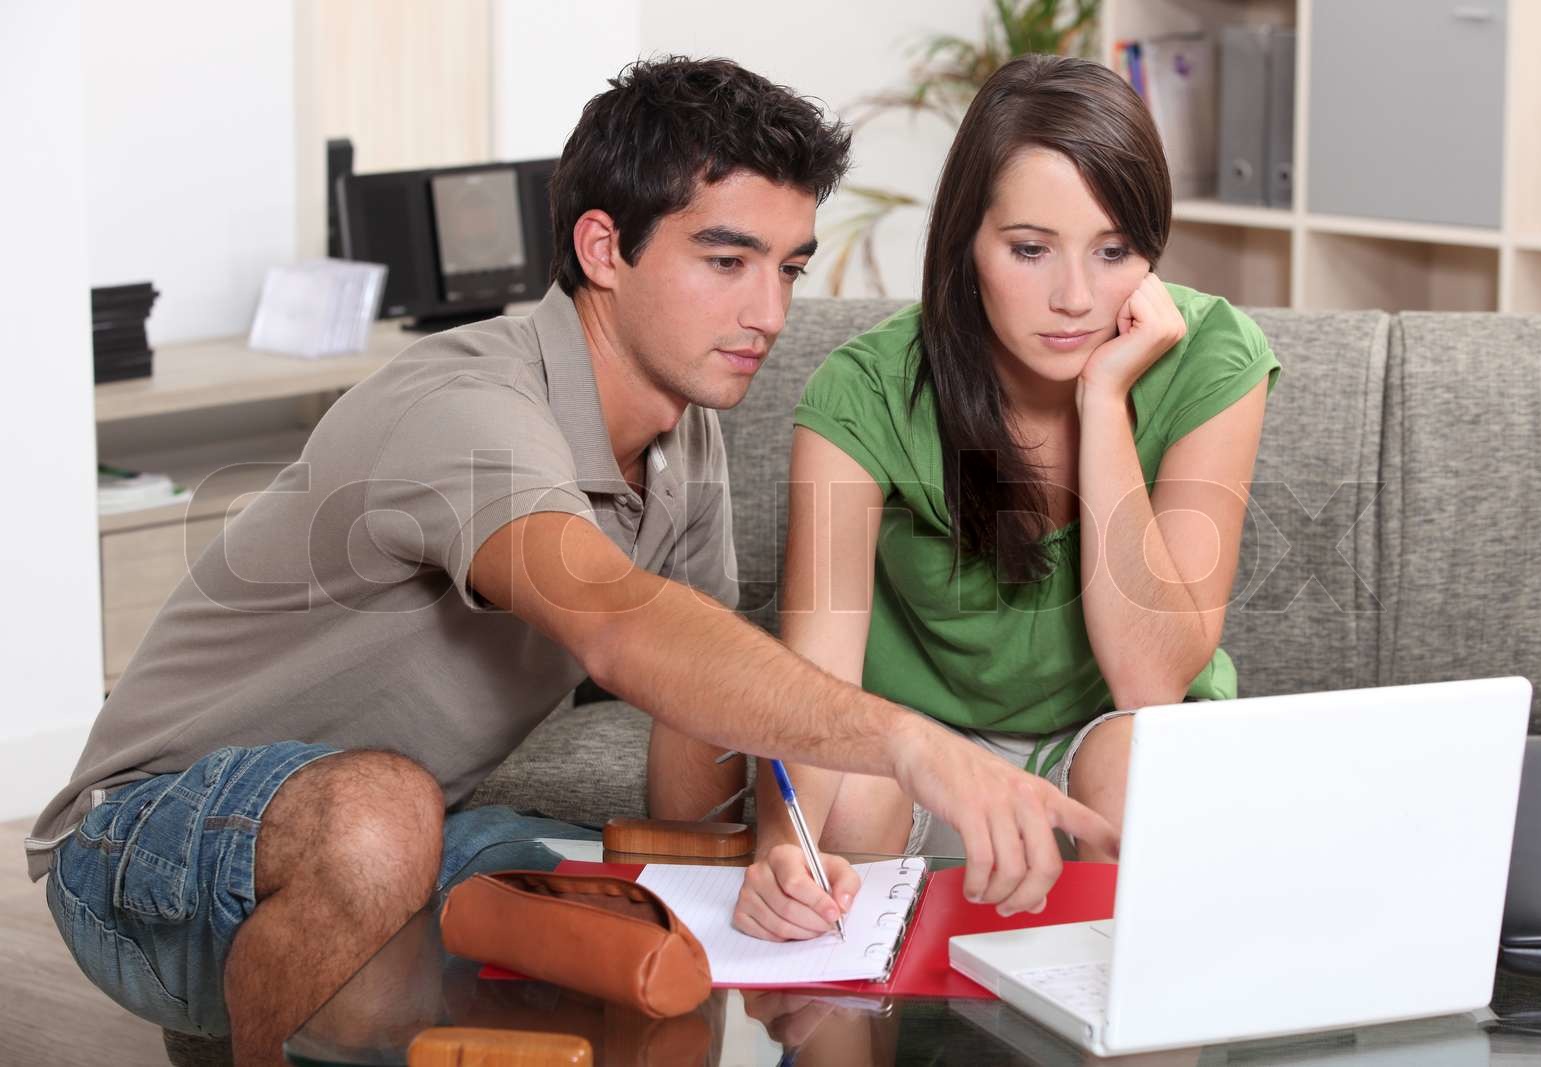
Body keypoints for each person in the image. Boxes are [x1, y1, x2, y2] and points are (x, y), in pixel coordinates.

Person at [26, 57, 1115, 1066]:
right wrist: (912, 744)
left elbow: (694, 701)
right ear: (602, 248)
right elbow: (620, 624)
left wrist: (772, 852)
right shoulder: (468, 405)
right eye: (726, 261)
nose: (770, 312)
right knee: (382, 813)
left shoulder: (684, 434)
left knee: (631, 932)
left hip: (424, 831)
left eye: (787, 268)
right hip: (145, 841)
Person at [714, 54, 1280, 941]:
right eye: (1029, 249)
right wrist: (786, 849)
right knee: (847, 798)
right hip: (924, 752)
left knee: (1143, 769)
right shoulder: (863, 390)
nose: (1075, 299)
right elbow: (817, 683)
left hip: (1108, 738)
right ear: (966, 242)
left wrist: (1104, 402)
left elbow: (1150, 682)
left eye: (1114, 252)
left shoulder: (1213, 357)